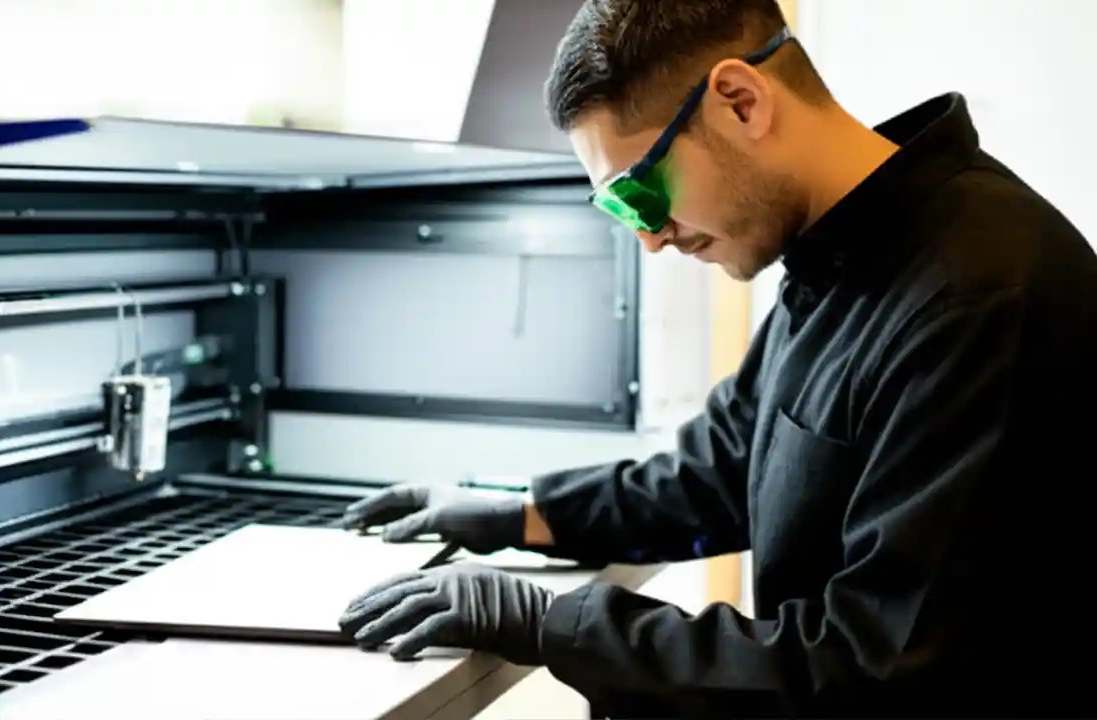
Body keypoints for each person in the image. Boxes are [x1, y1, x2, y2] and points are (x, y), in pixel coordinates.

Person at [337, 0, 1097, 716]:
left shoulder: (983, 291)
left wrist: (555, 622)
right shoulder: (835, 259)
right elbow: (724, 470)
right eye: (619, 209)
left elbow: (877, 671)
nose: (649, 236)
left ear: (740, 100)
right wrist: (522, 515)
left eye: (638, 193)